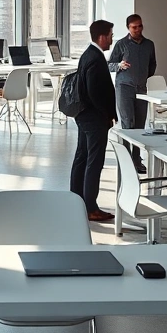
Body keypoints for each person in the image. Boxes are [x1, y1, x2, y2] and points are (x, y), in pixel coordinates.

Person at [70, 20, 117, 222]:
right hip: (94, 118)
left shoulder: (88, 54)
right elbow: (95, 92)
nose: (112, 39)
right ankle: (90, 207)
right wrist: (107, 114)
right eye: (111, 35)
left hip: (84, 115)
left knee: (82, 157)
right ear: (102, 37)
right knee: (94, 162)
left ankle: (76, 202)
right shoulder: (95, 58)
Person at [109, 14, 157, 174]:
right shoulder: (121, 44)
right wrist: (119, 65)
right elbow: (109, 65)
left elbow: (152, 64)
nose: (138, 29)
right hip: (124, 88)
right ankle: (127, 160)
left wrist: (143, 77)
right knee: (127, 123)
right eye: (134, 27)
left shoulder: (149, 45)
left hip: (141, 88)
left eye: (140, 26)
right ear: (128, 28)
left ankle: (137, 159)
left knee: (139, 126)